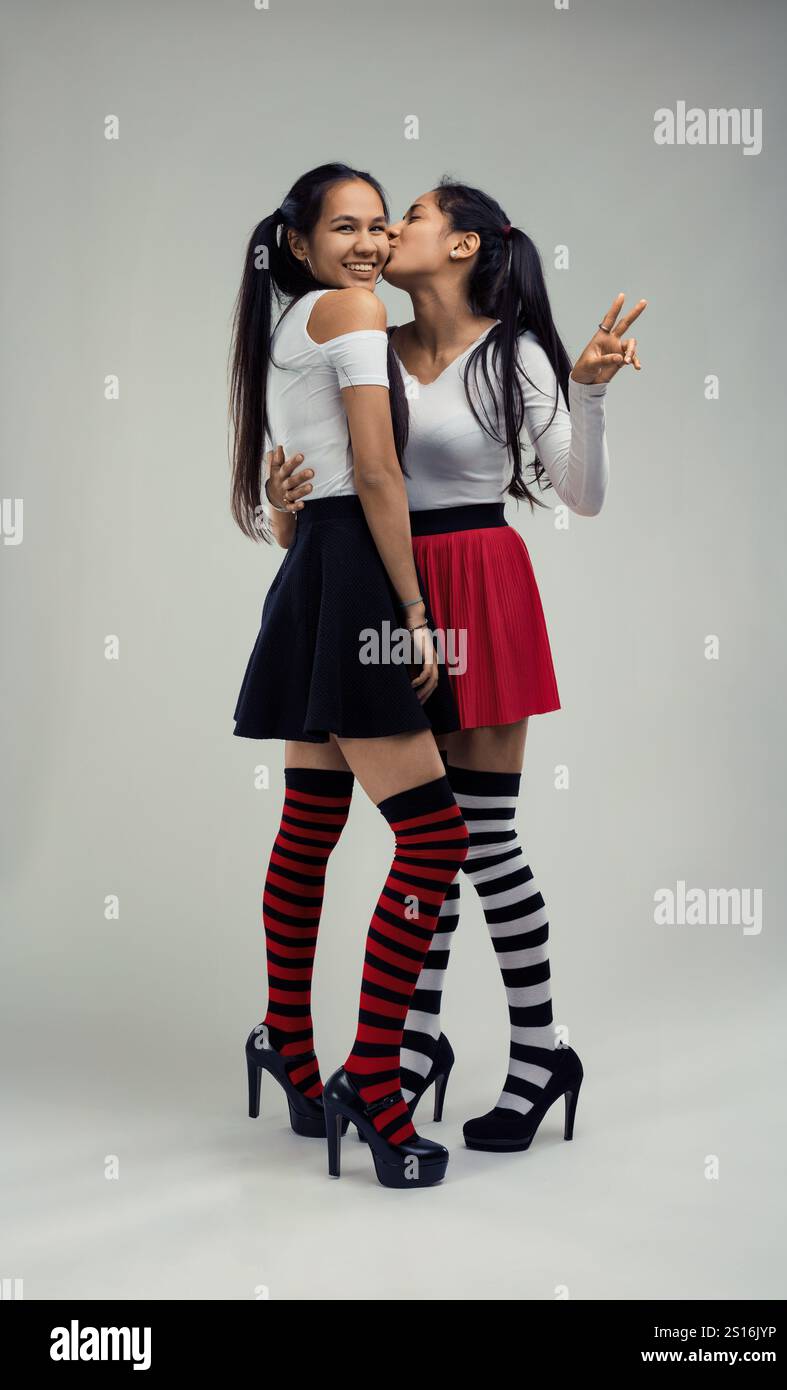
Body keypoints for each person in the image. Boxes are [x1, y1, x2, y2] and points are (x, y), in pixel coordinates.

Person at [266, 177, 646, 1153]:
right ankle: (412, 1044)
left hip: (473, 581)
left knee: (479, 836)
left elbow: (582, 495)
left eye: (416, 215)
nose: (392, 229)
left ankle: (537, 1055)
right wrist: (282, 499)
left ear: (468, 245)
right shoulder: (370, 342)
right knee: (423, 839)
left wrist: (589, 391)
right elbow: (336, 483)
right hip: (383, 585)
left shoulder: (513, 353)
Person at [230, 163, 469, 1188]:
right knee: (434, 835)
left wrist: (292, 516)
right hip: (356, 577)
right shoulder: (356, 309)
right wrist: (414, 612)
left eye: (380, 227)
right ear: (297, 241)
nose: (370, 244)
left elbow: (284, 496)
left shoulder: (287, 325)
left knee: (312, 824)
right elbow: (375, 470)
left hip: (308, 570)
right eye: (345, 227)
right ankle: (373, 1081)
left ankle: (287, 1039)